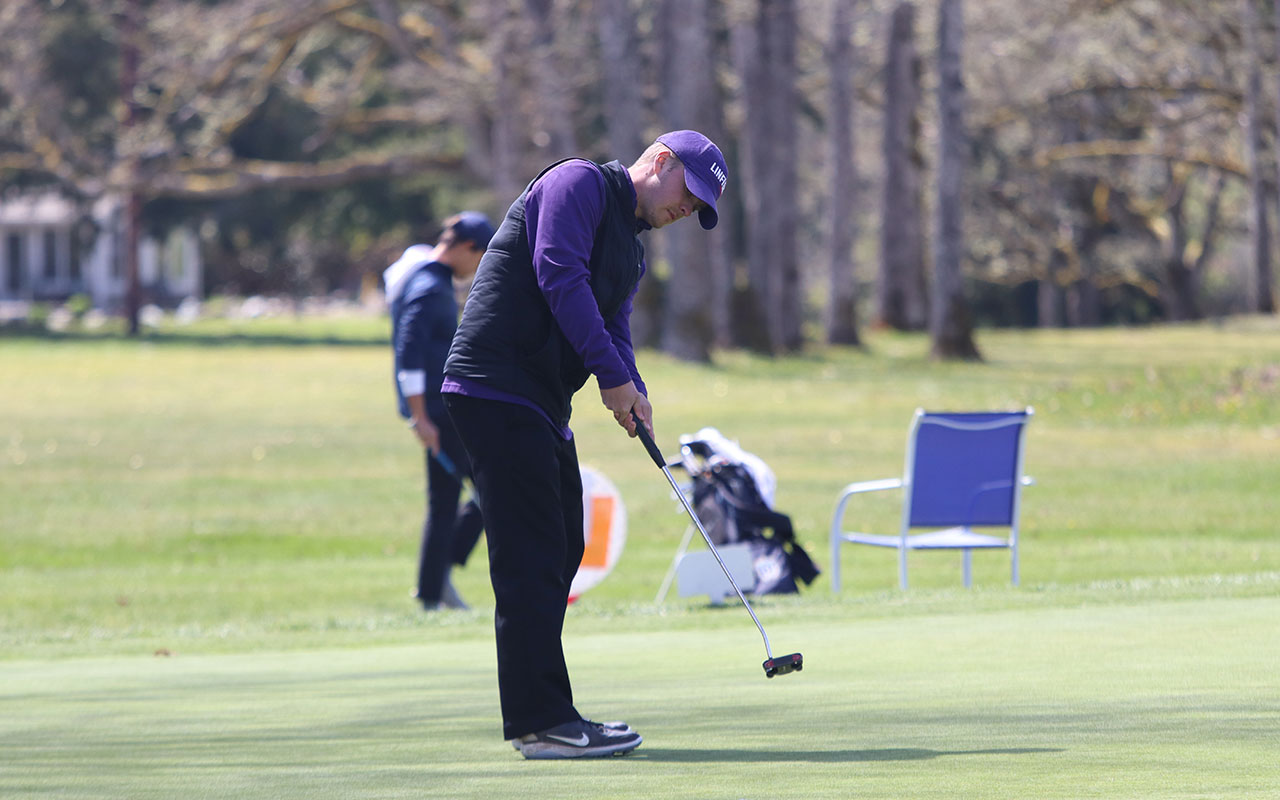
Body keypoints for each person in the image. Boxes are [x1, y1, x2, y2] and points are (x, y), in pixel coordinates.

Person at [441, 130, 728, 759]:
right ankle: (540, 723)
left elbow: (615, 323)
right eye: (690, 192)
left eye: (701, 208)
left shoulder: (631, 248)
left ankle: (550, 714)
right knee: (531, 557)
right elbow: (558, 275)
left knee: (565, 542)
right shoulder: (577, 183)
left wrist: (635, 388)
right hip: (494, 385)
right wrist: (612, 377)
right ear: (660, 160)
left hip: (539, 402)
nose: (689, 209)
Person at [385, 212, 496, 611]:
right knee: (492, 486)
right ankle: (436, 582)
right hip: (439, 412)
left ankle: (434, 589)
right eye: (480, 256)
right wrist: (420, 418)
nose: (478, 267)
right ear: (466, 248)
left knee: (448, 499)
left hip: (437, 409)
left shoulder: (428, 280)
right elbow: (409, 354)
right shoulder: (431, 287)